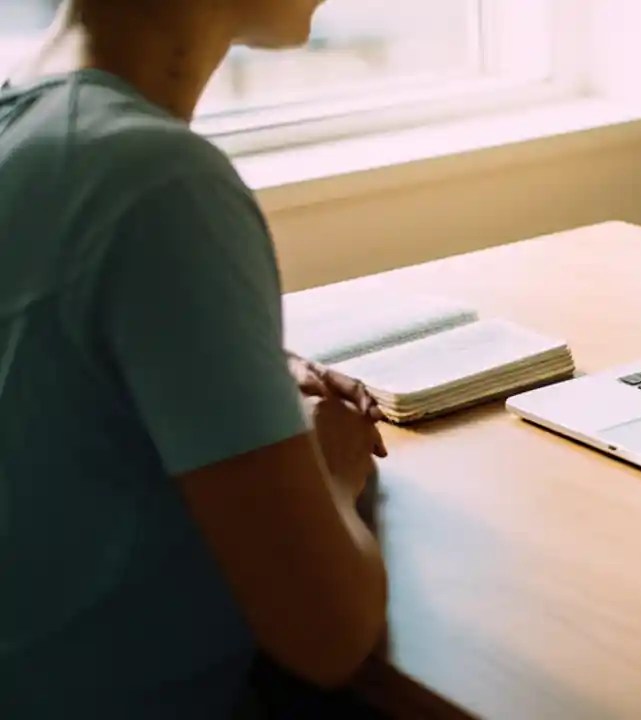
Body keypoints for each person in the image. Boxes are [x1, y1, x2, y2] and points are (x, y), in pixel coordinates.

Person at [0, 1, 394, 717]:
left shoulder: (29, 123)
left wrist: (242, 367)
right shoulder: (154, 181)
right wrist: (330, 461)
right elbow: (327, 637)